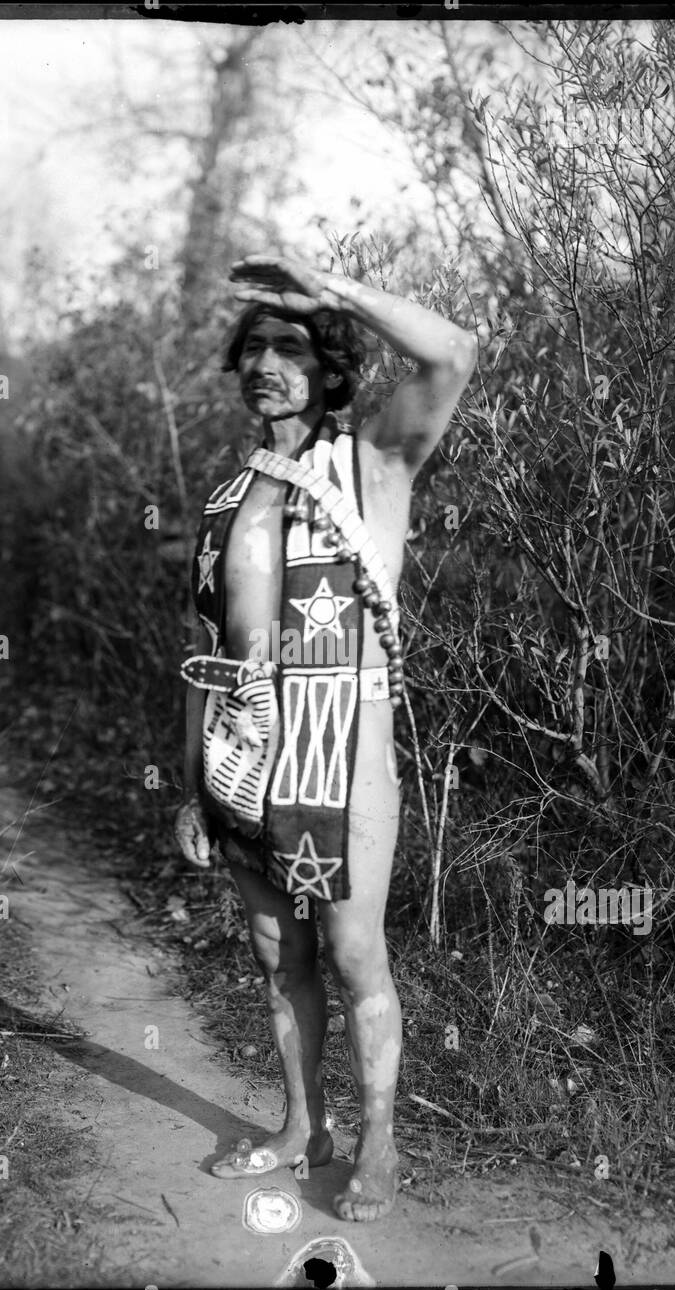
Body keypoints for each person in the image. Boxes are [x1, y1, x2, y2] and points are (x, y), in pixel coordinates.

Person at [175, 254, 476, 1221]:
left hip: (342, 754)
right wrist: (190, 785)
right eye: (255, 345)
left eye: (292, 346)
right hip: (244, 761)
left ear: (331, 366)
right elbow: (207, 651)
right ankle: (304, 1127)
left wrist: (331, 293)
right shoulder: (227, 502)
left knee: (353, 956)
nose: (268, 362)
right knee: (277, 958)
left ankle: (379, 1141)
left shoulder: (371, 461)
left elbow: (455, 354)